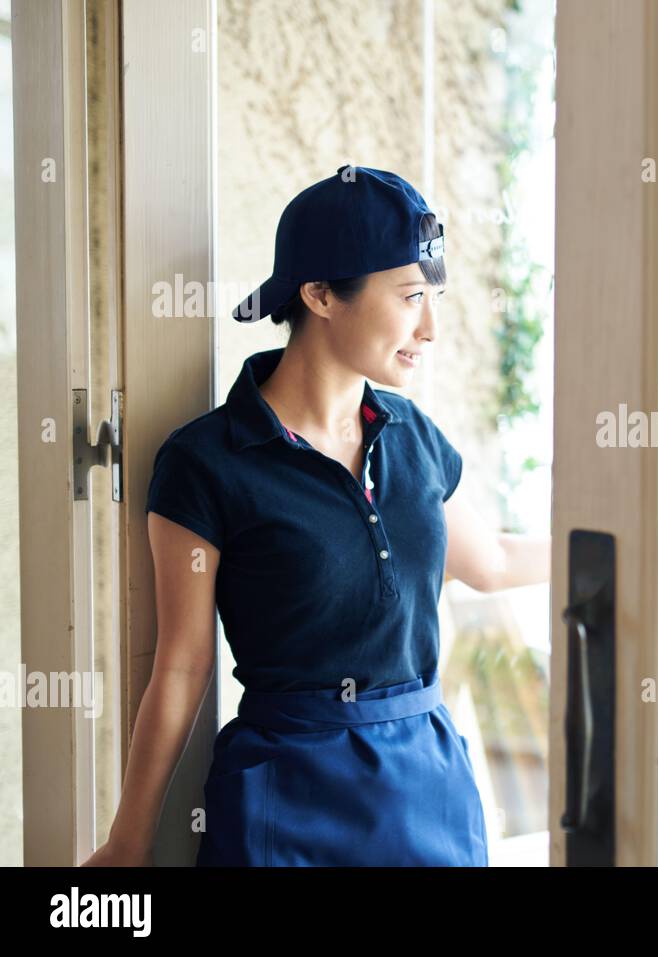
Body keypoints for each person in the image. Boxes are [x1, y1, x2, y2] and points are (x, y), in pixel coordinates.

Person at [81, 165, 551, 866]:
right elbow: (183, 664)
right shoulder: (207, 461)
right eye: (412, 296)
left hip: (430, 797)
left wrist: (625, 519)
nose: (431, 328)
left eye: (436, 297)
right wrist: (128, 842)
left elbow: (493, 561)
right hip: (286, 805)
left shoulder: (413, 437)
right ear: (320, 293)